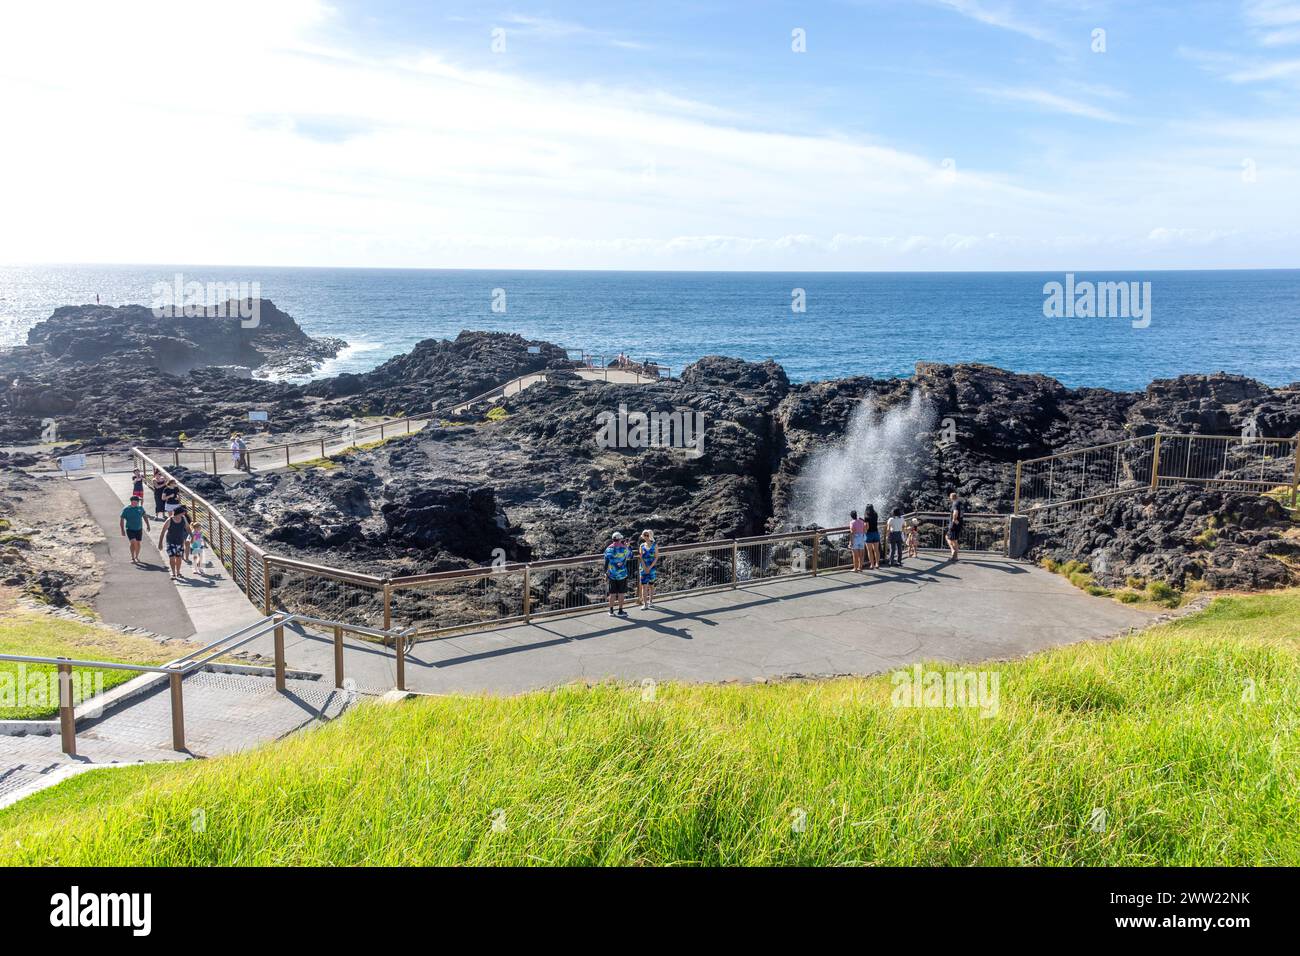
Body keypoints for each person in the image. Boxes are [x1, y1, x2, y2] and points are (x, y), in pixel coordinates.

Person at [158, 505, 191, 581]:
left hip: (180, 541)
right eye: (183, 512)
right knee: (172, 557)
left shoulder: (183, 518)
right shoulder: (169, 520)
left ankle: (178, 572)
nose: (184, 513)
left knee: (179, 558)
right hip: (171, 541)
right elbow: (163, 532)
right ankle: (173, 573)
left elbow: (188, 528)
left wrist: (192, 536)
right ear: (179, 512)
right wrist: (160, 543)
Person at [604, 531, 631, 617]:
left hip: (612, 574)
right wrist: (627, 546)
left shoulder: (608, 549)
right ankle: (620, 611)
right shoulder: (624, 549)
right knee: (621, 593)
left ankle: (611, 611)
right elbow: (631, 556)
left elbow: (606, 563)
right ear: (620, 539)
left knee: (612, 594)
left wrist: (605, 573)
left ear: (613, 539)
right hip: (622, 574)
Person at [118, 495, 151, 565]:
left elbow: (145, 516)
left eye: (137, 502)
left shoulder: (140, 508)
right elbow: (122, 520)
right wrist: (122, 530)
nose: (136, 503)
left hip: (139, 529)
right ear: (131, 502)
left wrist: (148, 525)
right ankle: (132, 558)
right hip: (130, 529)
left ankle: (137, 556)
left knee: (138, 543)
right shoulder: (126, 509)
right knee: (133, 542)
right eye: (135, 502)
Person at [638, 530, 658, 609]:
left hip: (652, 568)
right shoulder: (642, 546)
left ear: (650, 536)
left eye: (647, 535)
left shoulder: (655, 545)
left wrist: (649, 567)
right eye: (644, 535)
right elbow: (641, 557)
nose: (645, 537)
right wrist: (645, 567)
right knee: (644, 586)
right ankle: (645, 604)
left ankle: (651, 602)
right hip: (643, 568)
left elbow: (656, 557)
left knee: (651, 585)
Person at [946, 492, 964, 562]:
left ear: (951, 497)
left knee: (948, 537)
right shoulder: (960, 503)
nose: (949, 498)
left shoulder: (955, 504)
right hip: (959, 524)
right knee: (955, 540)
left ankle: (953, 551)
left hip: (954, 525)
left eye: (950, 497)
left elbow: (955, 512)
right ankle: (955, 557)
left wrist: (954, 520)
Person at [863, 503, 881, 570]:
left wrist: (864, 530)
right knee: (876, 550)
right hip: (876, 533)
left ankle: (872, 564)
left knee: (869, 550)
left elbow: (867, 527)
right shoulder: (876, 514)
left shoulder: (866, 516)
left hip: (869, 534)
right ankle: (877, 563)